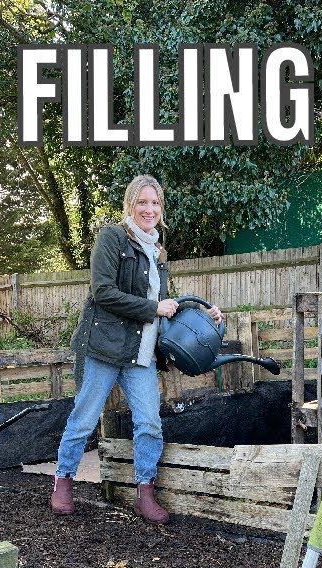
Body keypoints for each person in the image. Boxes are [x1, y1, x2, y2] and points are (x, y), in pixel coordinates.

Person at [50, 175, 221, 524]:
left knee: (149, 424)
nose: (149, 209)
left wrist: (201, 313)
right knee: (83, 420)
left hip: (140, 354)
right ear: (130, 205)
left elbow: (164, 305)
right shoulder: (112, 238)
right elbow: (103, 292)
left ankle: (145, 490)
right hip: (104, 346)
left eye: (155, 203)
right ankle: (63, 481)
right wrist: (152, 309)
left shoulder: (157, 253)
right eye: (142, 202)